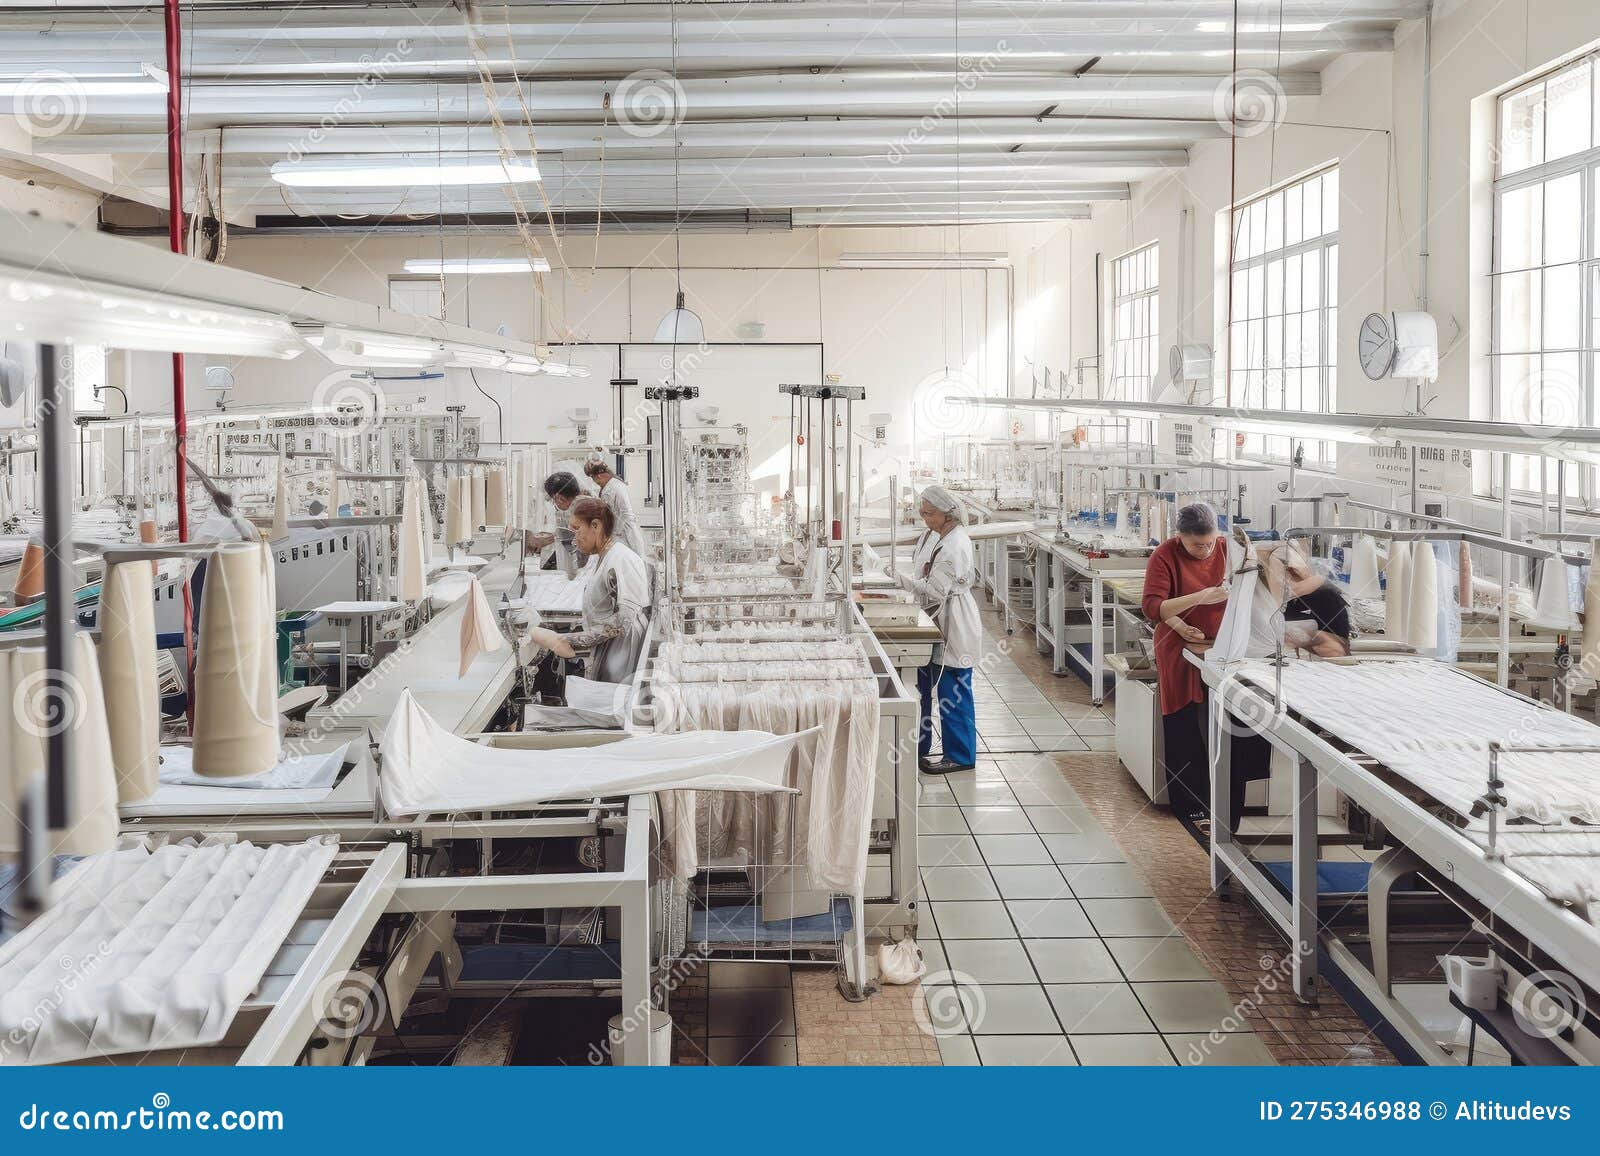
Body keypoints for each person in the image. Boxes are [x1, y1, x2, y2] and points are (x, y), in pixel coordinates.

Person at [1140, 501, 1230, 825]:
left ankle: (1222, 802)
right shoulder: (1164, 555)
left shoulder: (1227, 550)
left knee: (1221, 724)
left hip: (1222, 646)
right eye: (1196, 545)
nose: (1205, 550)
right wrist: (1197, 601)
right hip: (1178, 647)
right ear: (1180, 537)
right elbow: (1152, 607)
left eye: (1209, 542)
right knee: (1183, 724)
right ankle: (1189, 805)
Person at [896, 484, 983, 774]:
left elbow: (935, 590)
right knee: (929, 687)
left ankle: (960, 756)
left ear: (947, 514)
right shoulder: (939, 536)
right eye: (922, 513)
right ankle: (923, 747)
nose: (925, 519)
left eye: (929, 514)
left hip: (955, 621)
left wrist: (899, 581)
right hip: (941, 618)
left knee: (953, 690)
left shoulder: (954, 544)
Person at [531, 497, 652, 684]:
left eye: (577, 529)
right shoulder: (601, 557)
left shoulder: (620, 559)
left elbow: (624, 620)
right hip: (608, 655)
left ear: (595, 525)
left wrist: (566, 639)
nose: (574, 538)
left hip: (619, 660)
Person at [527, 471, 589, 574]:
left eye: (553, 500)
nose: (554, 504)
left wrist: (549, 539)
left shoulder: (576, 511)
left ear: (558, 497)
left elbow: (574, 540)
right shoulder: (583, 503)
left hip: (582, 569)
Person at [583, 458, 646, 556]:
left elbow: (626, 517)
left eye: (593, 478)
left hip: (624, 538)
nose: (594, 482)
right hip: (617, 537)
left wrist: (637, 550)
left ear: (598, 476)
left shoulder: (615, 487)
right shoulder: (610, 486)